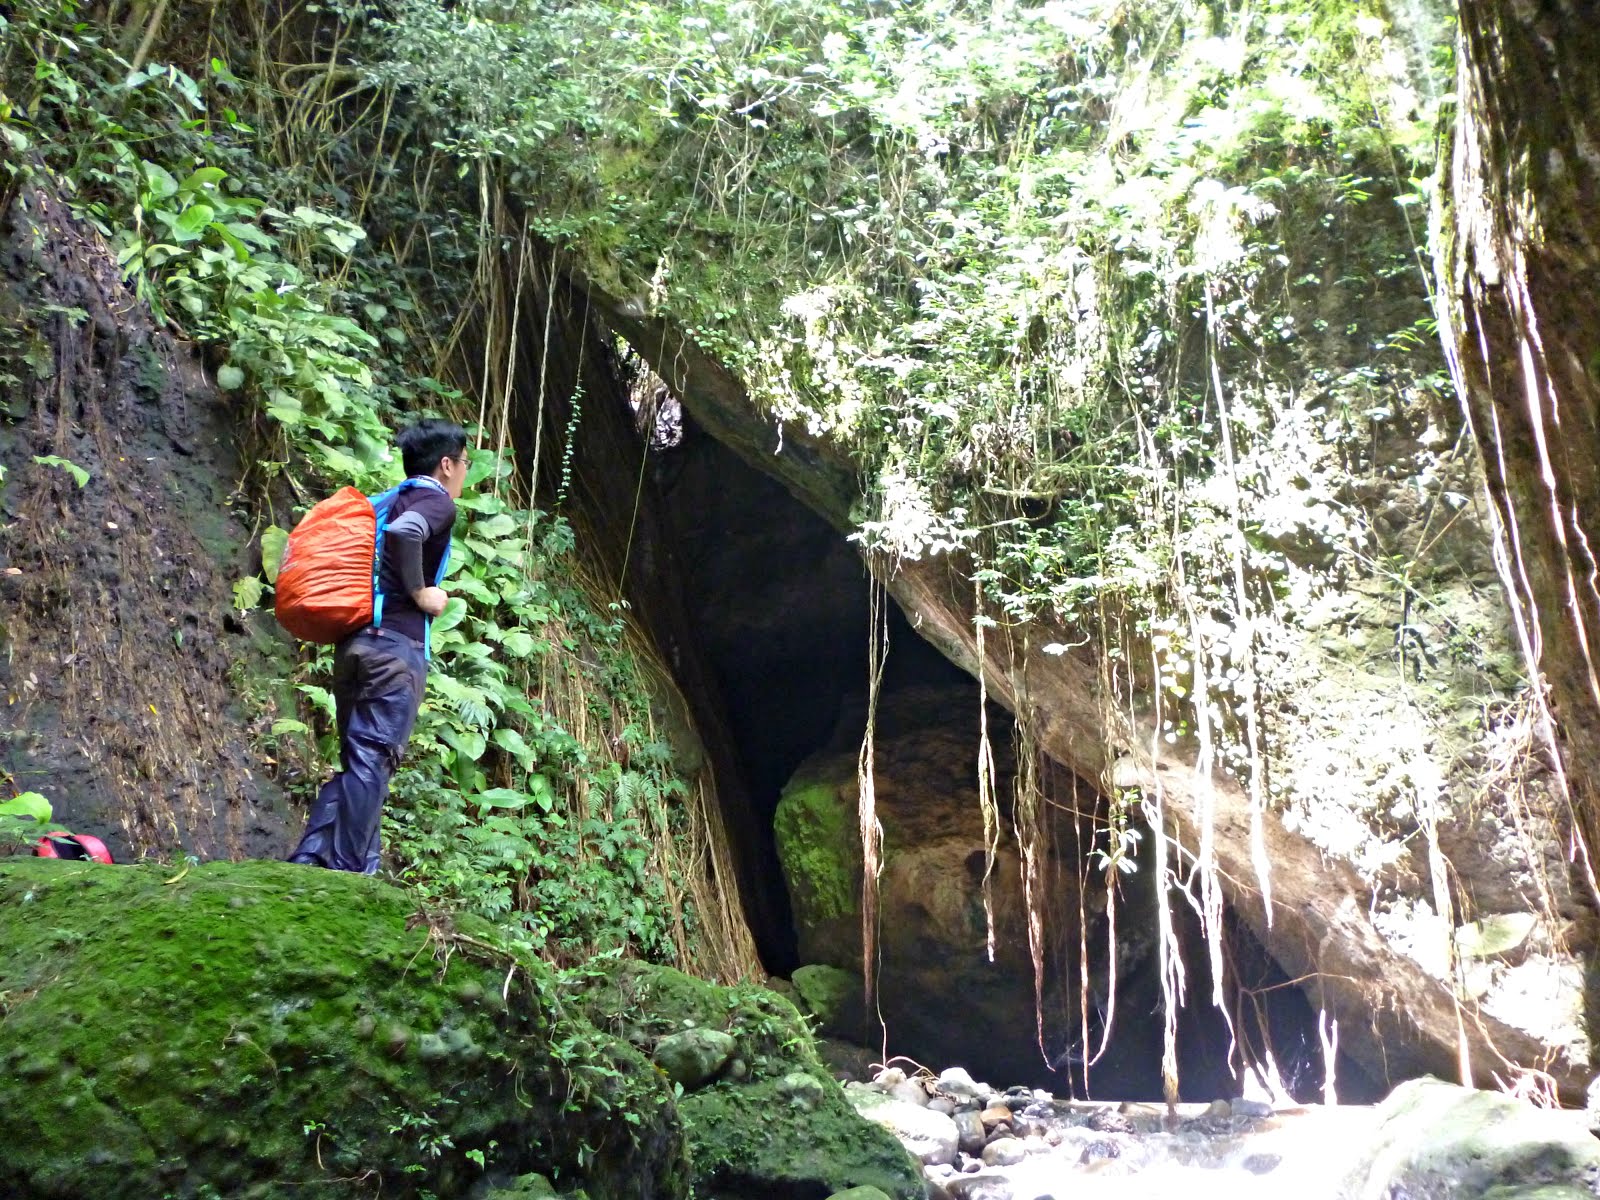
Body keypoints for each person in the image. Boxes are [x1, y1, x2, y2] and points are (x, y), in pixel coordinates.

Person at [288, 419, 469, 873]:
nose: (465, 471)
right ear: (445, 465)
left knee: (358, 761)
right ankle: (349, 873)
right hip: (395, 650)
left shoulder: (386, 502)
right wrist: (421, 592)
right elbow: (407, 534)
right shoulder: (434, 502)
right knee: (372, 760)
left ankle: (310, 857)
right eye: (464, 463)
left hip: (355, 645)